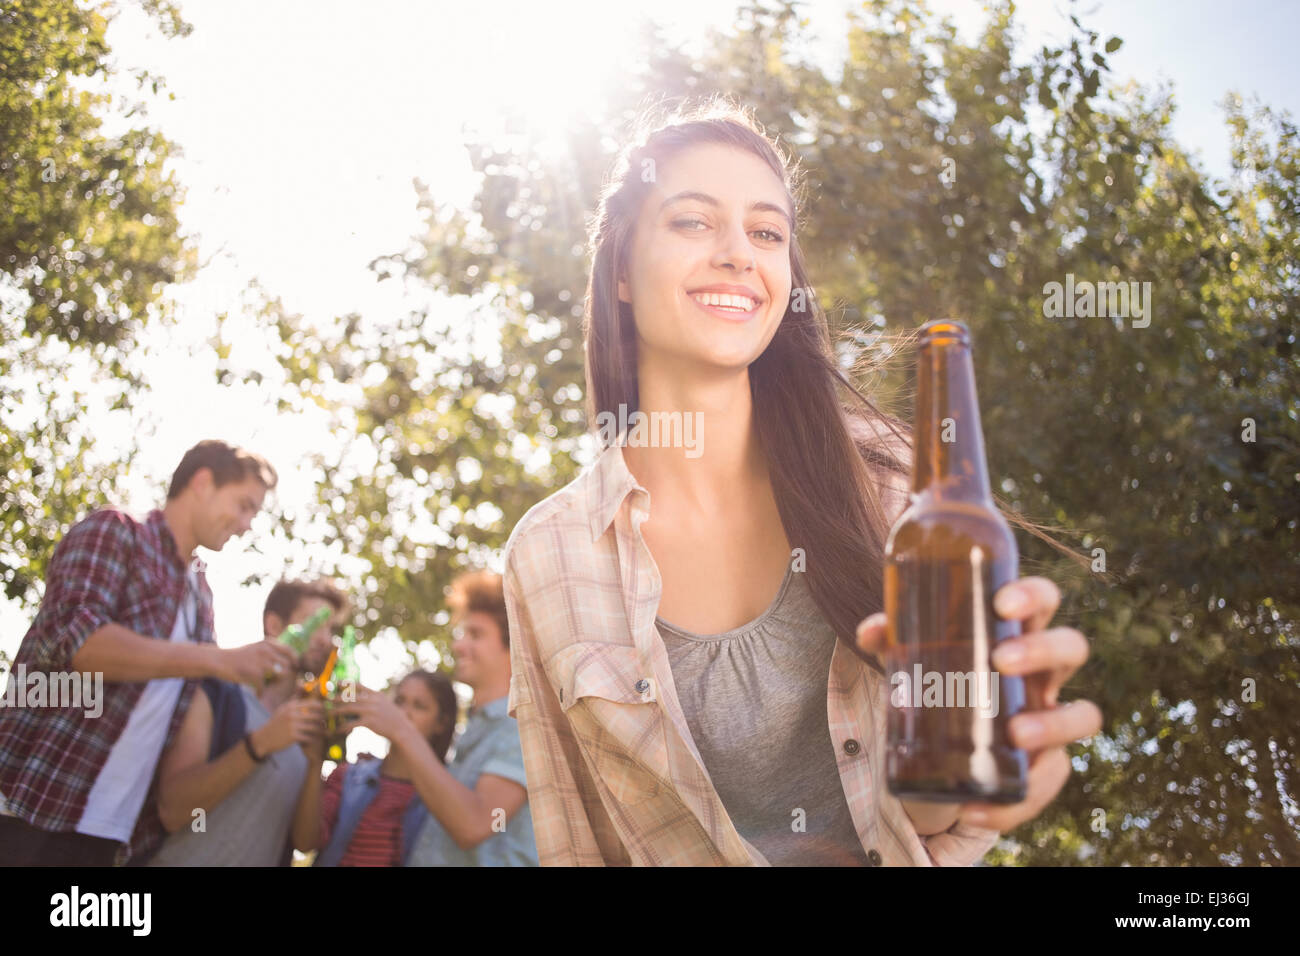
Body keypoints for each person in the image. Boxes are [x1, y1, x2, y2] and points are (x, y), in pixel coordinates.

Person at [500, 101, 1105, 866]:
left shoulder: (888, 483)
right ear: (619, 270)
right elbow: (572, 838)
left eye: (766, 233)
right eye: (692, 222)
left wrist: (984, 744)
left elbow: (922, 811)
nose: (737, 255)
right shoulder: (548, 554)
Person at [0, 440, 295, 866]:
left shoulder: (201, 595)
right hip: (30, 809)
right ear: (202, 482)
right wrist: (217, 660)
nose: (247, 524)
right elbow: (83, 646)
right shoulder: (117, 531)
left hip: (112, 836)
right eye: (243, 505)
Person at [146, 580, 346, 866]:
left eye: (331, 629)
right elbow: (173, 810)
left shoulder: (310, 732)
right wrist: (262, 742)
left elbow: (305, 843)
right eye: (315, 623)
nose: (326, 640)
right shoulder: (218, 693)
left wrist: (315, 763)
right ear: (275, 625)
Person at [401, 570, 539, 866]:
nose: (459, 646)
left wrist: (401, 731)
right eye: (462, 634)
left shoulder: (520, 726)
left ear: (512, 646)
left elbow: (475, 824)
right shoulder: (479, 727)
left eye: (475, 634)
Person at [302, 669, 457, 867]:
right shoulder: (348, 776)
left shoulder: (448, 798)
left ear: (441, 724)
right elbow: (306, 842)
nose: (403, 714)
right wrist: (315, 761)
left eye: (419, 706)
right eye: (399, 702)